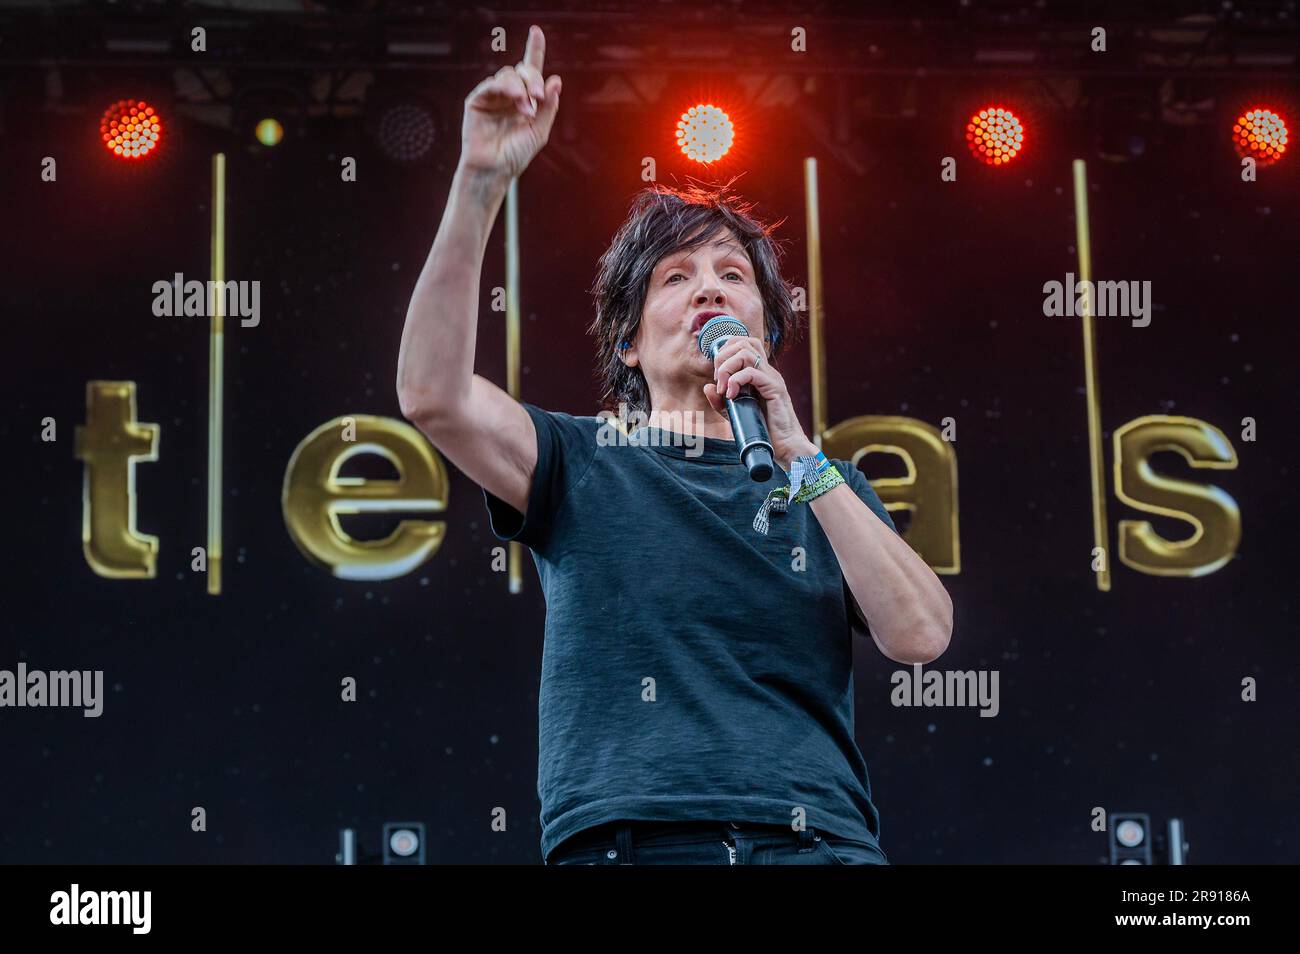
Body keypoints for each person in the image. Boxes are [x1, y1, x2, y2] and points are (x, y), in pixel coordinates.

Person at [396, 24, 953, 865]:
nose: (708, 292)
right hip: (633, 839)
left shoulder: (820, 486)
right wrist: (480, 181)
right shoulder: (580, 460)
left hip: (816, 842)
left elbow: (921, 635)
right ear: (627, 340)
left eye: (732, 277)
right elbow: (431, 395)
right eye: (676, 277)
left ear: (765, 327)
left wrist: (802, 454)